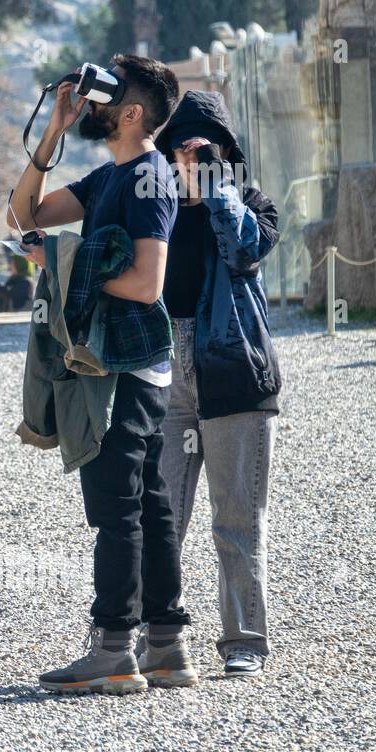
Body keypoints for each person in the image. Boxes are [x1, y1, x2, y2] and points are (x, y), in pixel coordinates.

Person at [8, 54, 195, 694]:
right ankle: (166, 646)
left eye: (104, 97)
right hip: (124, 364)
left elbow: (146, 285)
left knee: (117, 508)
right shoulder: (110, 176)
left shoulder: (149, 178)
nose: (92, 103)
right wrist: (52, 133)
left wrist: (61, 262)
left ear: (132, 113)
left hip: (122, 368)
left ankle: (114, 648)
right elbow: (23, 215)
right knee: (148, 502)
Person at [154, 90, 281, 679]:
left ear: (228, 152)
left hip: (233, 374)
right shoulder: (157, 209)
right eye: (183, 146)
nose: (192, 156)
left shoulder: (250, 204)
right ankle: (153, 639)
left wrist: (215, 189)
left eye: (207, 147)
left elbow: (244, 251)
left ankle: (244, 643)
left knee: (236, 520)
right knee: (159, 519)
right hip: (164, 376)